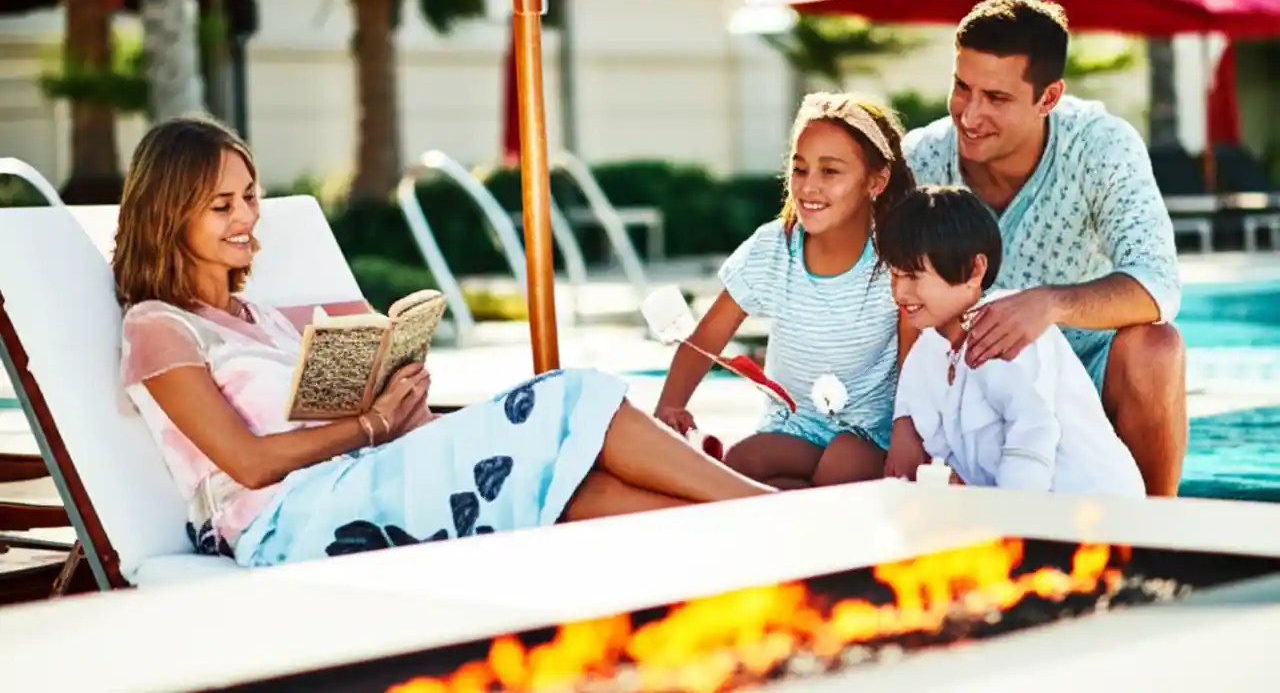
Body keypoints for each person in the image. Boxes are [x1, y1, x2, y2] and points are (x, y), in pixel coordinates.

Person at [113, 116, 775, 567]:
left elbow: (342, 420)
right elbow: (249, 464)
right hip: (287, 524)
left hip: (361, 479)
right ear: (170, 213)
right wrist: (372, 425)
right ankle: (776, 515)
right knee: (568, 395)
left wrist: (402, 406)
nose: (247, 216)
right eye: (221, 205)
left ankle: (752, 544)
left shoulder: (264, 317)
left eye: (250, 196)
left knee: (561, 481)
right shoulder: (159, 325)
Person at [899, 0, 1186, 496]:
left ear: (1049, 97)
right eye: (962, 88)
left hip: (1082, 363)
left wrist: (1048, 304)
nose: (970, 115)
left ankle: (1155, 538)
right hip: (966, 374)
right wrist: (906, 417)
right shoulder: (921, 159)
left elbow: (1158, 285)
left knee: (1158, 347)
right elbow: (894, 295)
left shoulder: (1102, 145)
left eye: (998, 98)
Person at [654, 92, 916, 490]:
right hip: (795, 428)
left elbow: (915, 363)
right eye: (799, 168)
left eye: (830, 172)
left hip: (871, 435)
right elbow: (707, 336)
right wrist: (670, 406)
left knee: (839, 467)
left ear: (876, 181)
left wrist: (908, 436)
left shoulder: (896, 259)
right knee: (743, 461)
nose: (808, 186)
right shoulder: (774, 249)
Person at [880, 186, 1145, 498]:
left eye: (913, 276)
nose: (900, 293)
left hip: (1094, 507)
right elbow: (931, 440)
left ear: (975, 269)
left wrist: (1011, 524)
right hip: (1021, 513)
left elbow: (1031, 429)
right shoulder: (928, 350)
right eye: (894, 275)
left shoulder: (1010, 326)